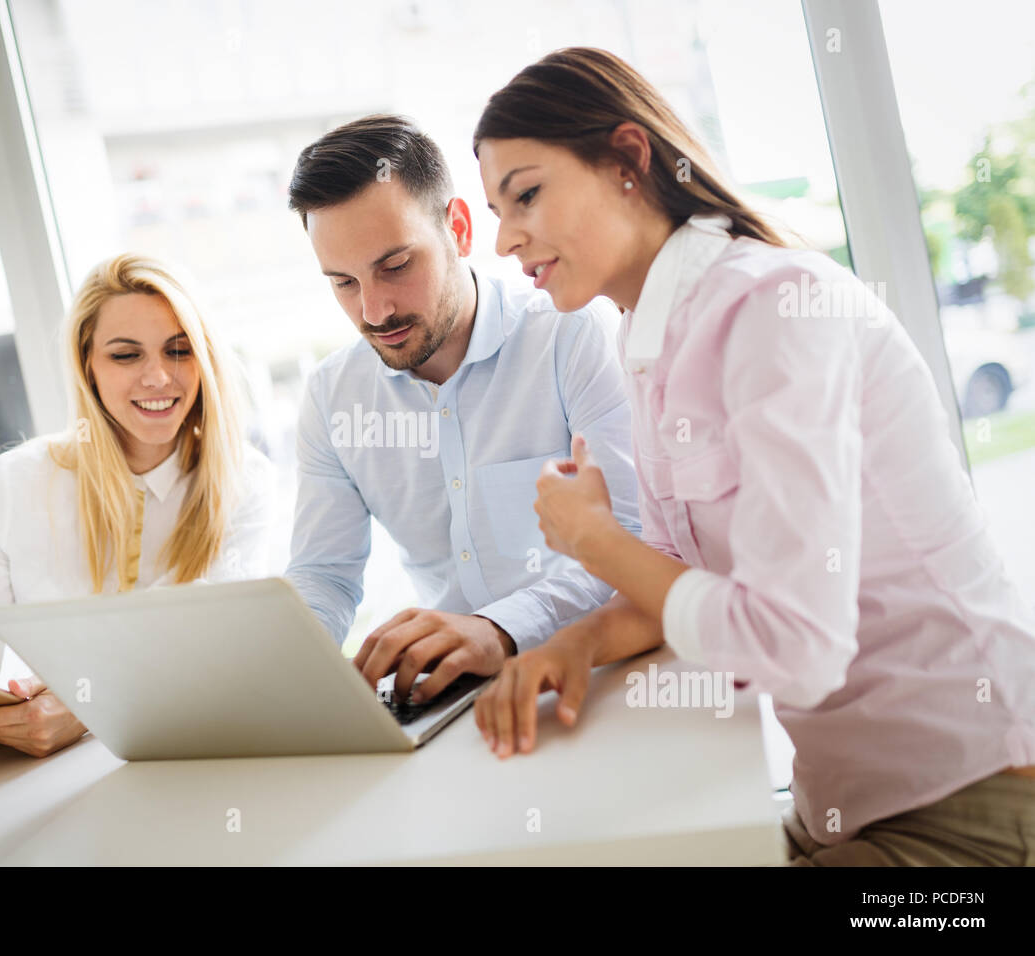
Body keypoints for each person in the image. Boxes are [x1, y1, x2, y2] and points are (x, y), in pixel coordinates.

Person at [470, 47, 1035, 866]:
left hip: (979, 808)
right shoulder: (653, 337)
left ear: (628, 158)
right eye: (496, 207)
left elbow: (795, 650)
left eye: (526, 193)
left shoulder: (773, 308)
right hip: (843, 804)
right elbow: (679, 569)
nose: (504, 237)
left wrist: (593, 538)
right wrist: (578, 642)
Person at [0, 254, 274, 785]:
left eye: (179, 350)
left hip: (205, 773)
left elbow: (212, 658)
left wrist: (89, 706)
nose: (158, 375)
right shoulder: (15, 483)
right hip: (54, 793)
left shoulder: (245, 483)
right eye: (125, 354)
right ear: (88, 365)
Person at [283, 114, 641, 704]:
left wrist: (500, 628)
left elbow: (636, 540)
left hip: (600, 679)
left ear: (458, 228)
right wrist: (287, 670)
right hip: (452, 702)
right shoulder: (332, 397)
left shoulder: (572, 335)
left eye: (395, 267)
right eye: (343, 282)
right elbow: (324, 575)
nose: (374, 311)